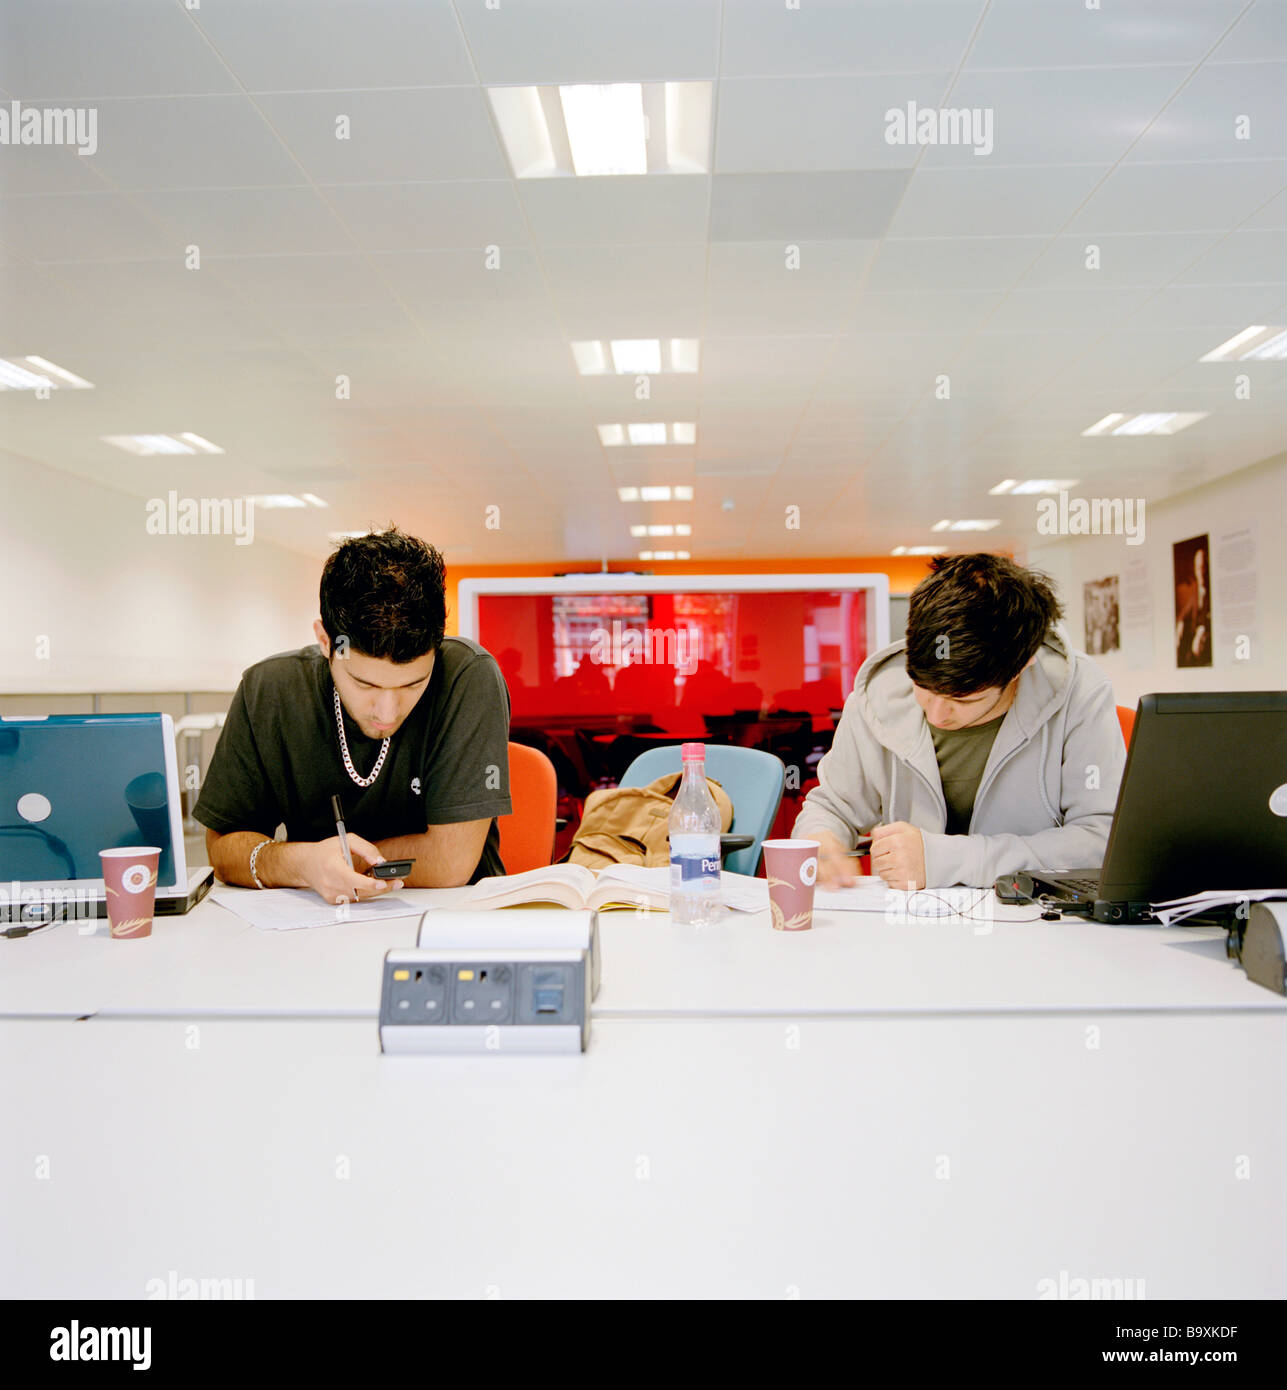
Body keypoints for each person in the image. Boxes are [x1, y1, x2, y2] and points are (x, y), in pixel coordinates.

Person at [196, 528, 512, 904]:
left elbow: (450, 862)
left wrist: (335, 865)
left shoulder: (468, 677)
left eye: (413, 684)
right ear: (326, 642)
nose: (388, 712)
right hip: (310, 931)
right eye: (365, 684)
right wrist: (303, 863)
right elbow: (223, 848)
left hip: (452, 923)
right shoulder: (268, 690)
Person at [794, 553, 1125, 890]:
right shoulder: (877, 694)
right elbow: (832, 806)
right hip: (907, 922)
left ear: (1021, 667)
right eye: (922, 687)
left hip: (1034, 924)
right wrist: (820, 838)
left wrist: (950, 860)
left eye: (963, 700)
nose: (936, 714)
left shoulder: (1081, 692)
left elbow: (1102, 842)